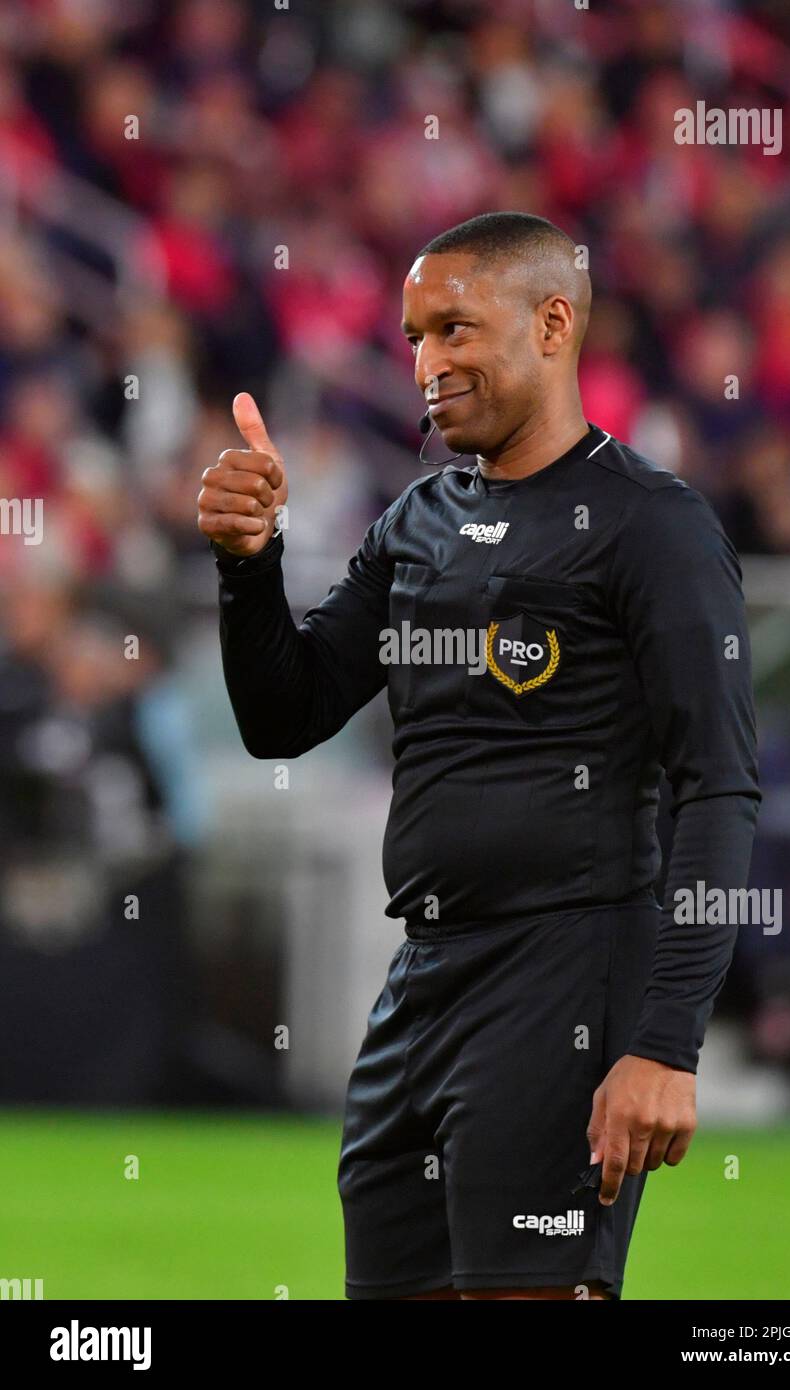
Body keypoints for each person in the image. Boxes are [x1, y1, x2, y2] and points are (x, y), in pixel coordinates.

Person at [197, 211, 761, 1300]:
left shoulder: (654, 526)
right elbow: (284, 713)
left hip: (568, 973)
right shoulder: (417, 521)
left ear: (552, 325)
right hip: (421, 982)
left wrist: (663, 1043)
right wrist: (246, 567)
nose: (426, 364)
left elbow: (717, 786)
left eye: (454, 328)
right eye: (413, 336)